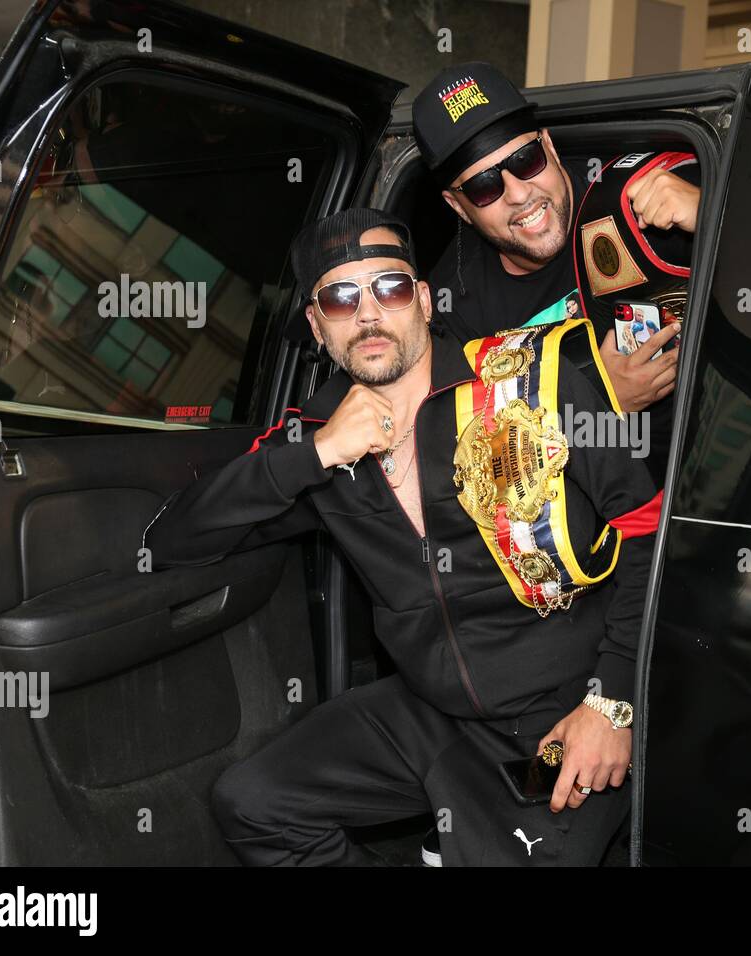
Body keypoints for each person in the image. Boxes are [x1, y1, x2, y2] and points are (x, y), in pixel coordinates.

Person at [141, 208, 661, 866]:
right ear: (315, 324)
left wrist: (613, 702)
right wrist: (319, 451)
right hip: (430, 713)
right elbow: (171, 541)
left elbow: (649, 532)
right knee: (255, 802)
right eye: (339, 297)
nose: (367, 315)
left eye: (387, 287)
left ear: (420, 300)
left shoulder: (531, 382)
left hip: (558, 717)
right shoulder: (315, 440)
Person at [413, 62, 701, 484]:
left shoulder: (635, 197)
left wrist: (710, 212)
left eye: (526, 160)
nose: (519, 193)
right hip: (601, 519)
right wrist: (599, 400)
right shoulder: (452, 305)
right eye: (483, 186)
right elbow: (471, 462)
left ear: (547, 145)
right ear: (459, 208)